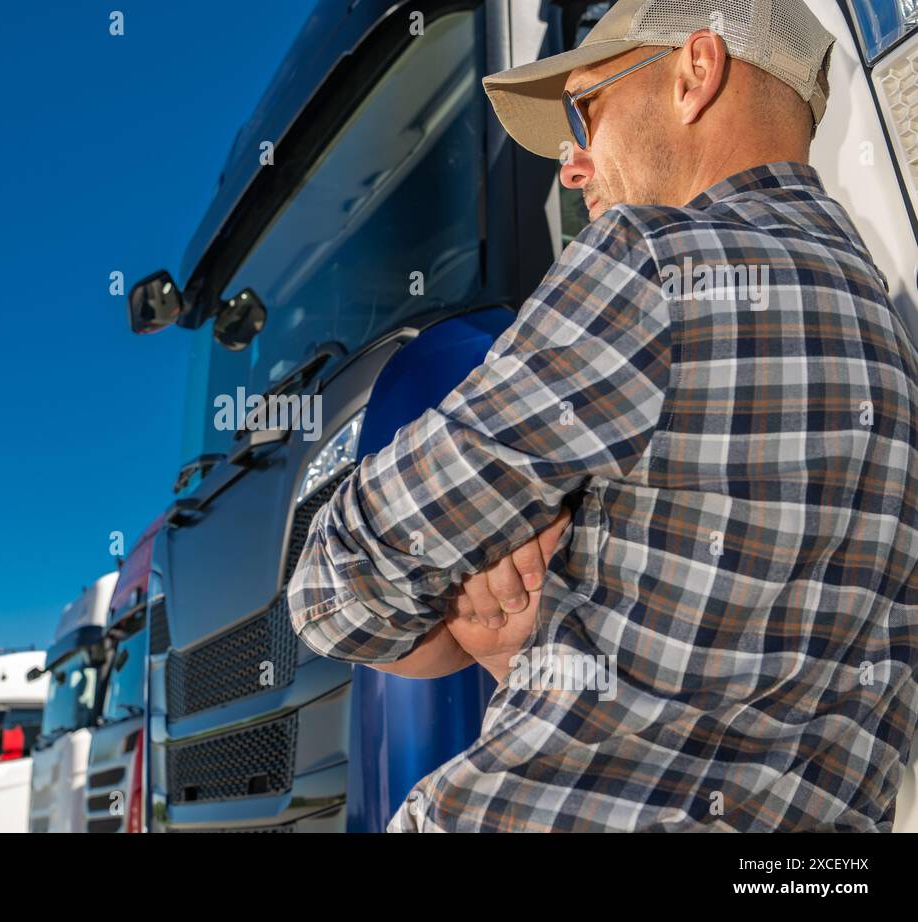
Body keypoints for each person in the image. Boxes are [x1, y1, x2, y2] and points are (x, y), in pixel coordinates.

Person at [288, 0, 918, 831]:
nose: (574, 168)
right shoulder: (891, 336)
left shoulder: (650, 263)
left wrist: (492, 603)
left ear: (698, 71)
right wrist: (550, 635)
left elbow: (332, 592)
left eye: (589, 113)